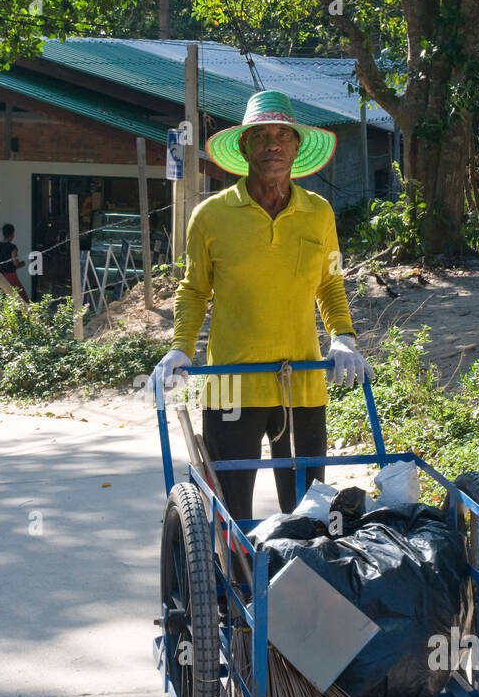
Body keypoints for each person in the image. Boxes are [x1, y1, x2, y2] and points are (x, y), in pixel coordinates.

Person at [151, 90, 370, 521]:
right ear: (245, 146)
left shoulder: (319, 212)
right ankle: (238, 581)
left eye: (283, 136)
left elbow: (329, 282)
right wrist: (181, 346)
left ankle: (299, 583)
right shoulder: (211, 216)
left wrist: (343, 337)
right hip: (232, 381)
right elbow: (194, 289)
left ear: (296, 147)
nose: (273, 144)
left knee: (309, 508)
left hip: (302, 381)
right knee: (233, 511)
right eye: (262, 135)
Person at [0, 224, 29, 301]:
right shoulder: (12, 247)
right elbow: (16, 264)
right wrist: (22, 263)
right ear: (12, 234)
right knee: (21, 297)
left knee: (2, 298)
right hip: (10, 276)